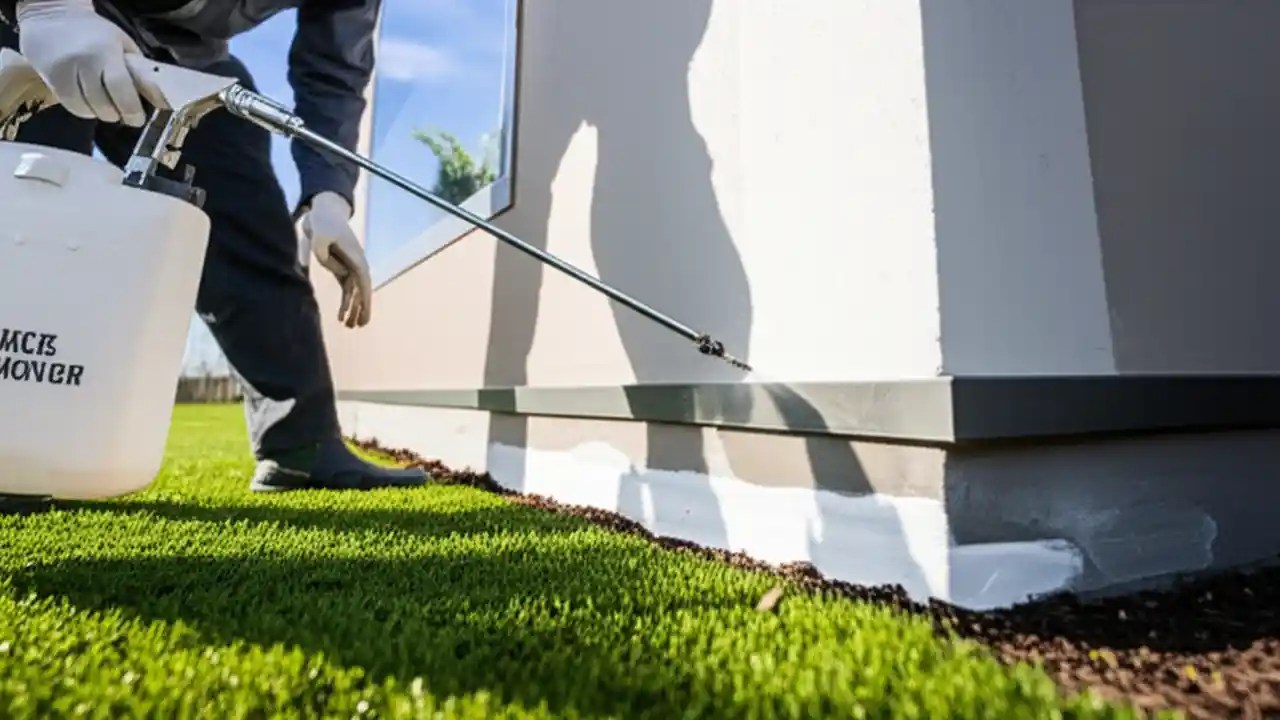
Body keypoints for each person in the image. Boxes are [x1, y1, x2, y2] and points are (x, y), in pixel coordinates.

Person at [0, 0, 427, 492]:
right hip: (49, 18)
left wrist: (329, 195)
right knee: (31, 201)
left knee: (253, 226)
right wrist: (51, 9)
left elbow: (335, 72)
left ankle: (302, 447)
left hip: (184, 59)